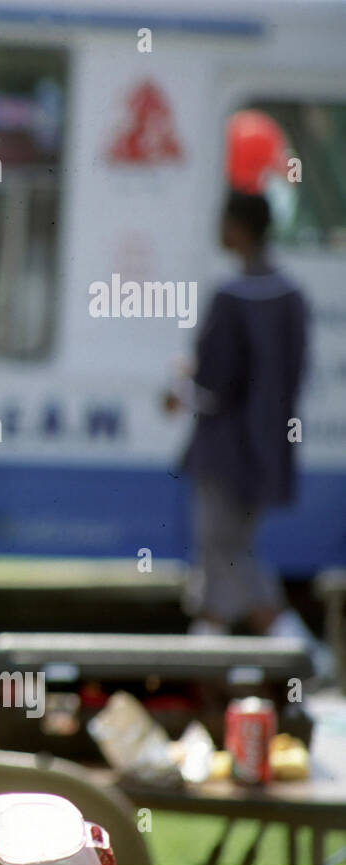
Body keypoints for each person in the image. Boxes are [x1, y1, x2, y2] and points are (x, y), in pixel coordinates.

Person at [166, 189, 310, 638]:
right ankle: (202, 659)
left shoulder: (231, 298)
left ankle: (298, 648)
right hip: (268, 450)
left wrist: (179, 385)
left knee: (223, 551)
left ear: (238, 227)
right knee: (222, 555)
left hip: (225, 451)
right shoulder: (291, 298)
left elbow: (212, 385)